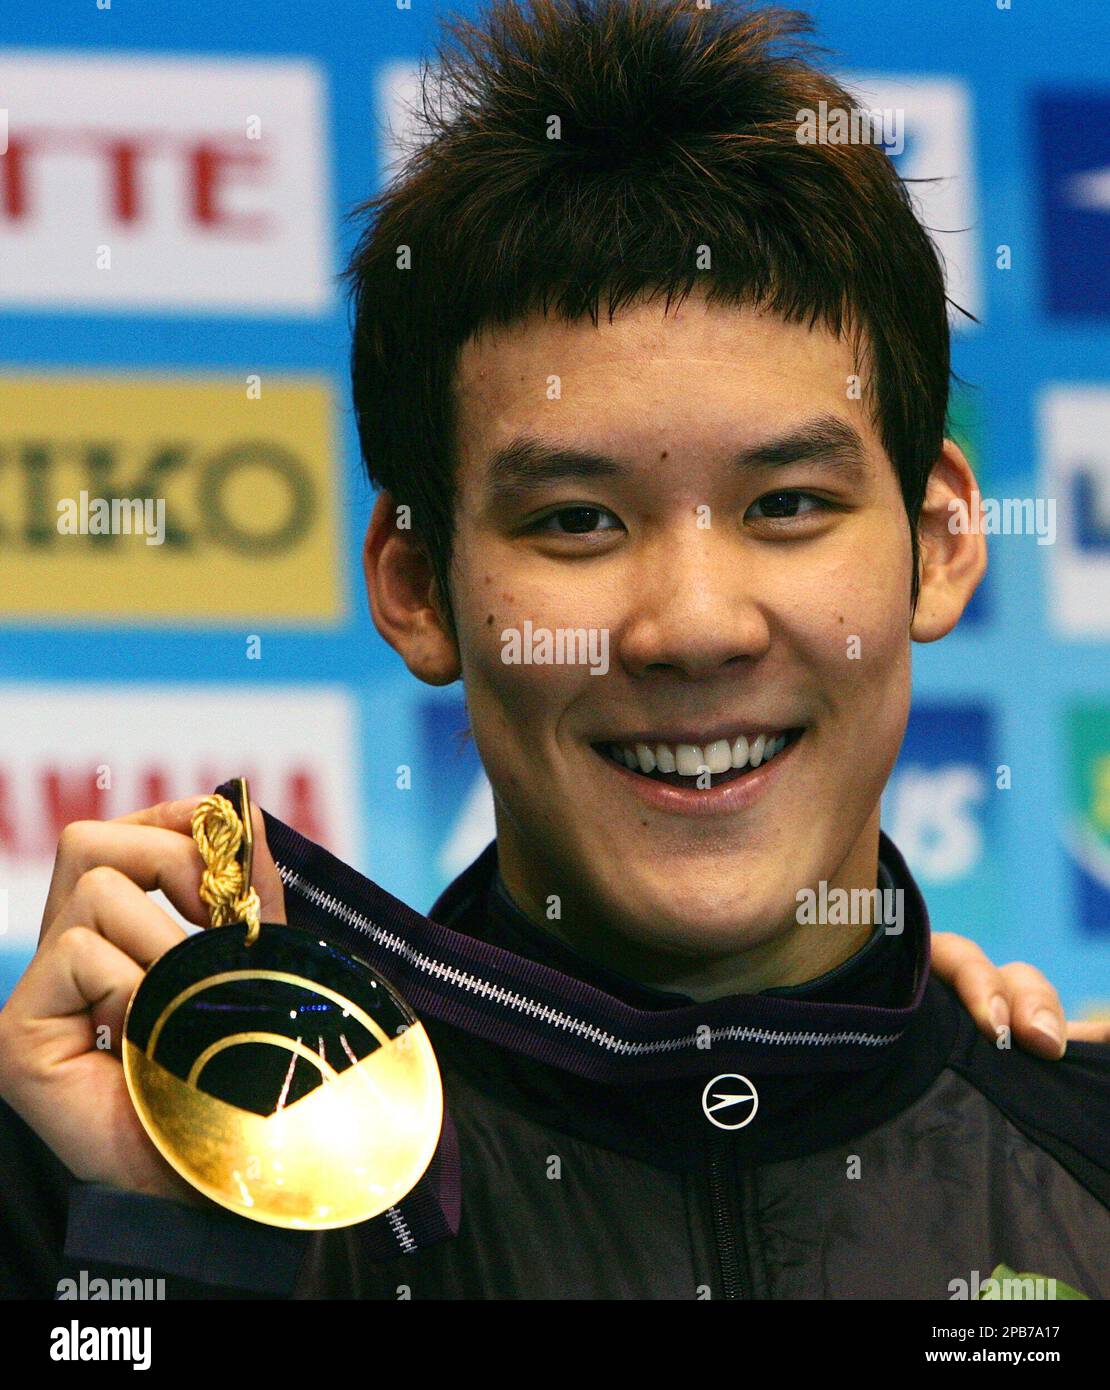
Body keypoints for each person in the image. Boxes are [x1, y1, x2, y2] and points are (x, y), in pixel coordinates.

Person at [1, 0, 1107, 1300]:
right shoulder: (105, 1182)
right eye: (576, 519)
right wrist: (164, 1241)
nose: (693, 624)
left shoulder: (1077, 1154)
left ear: (940, 542)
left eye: (786, 505)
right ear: (417, 586)